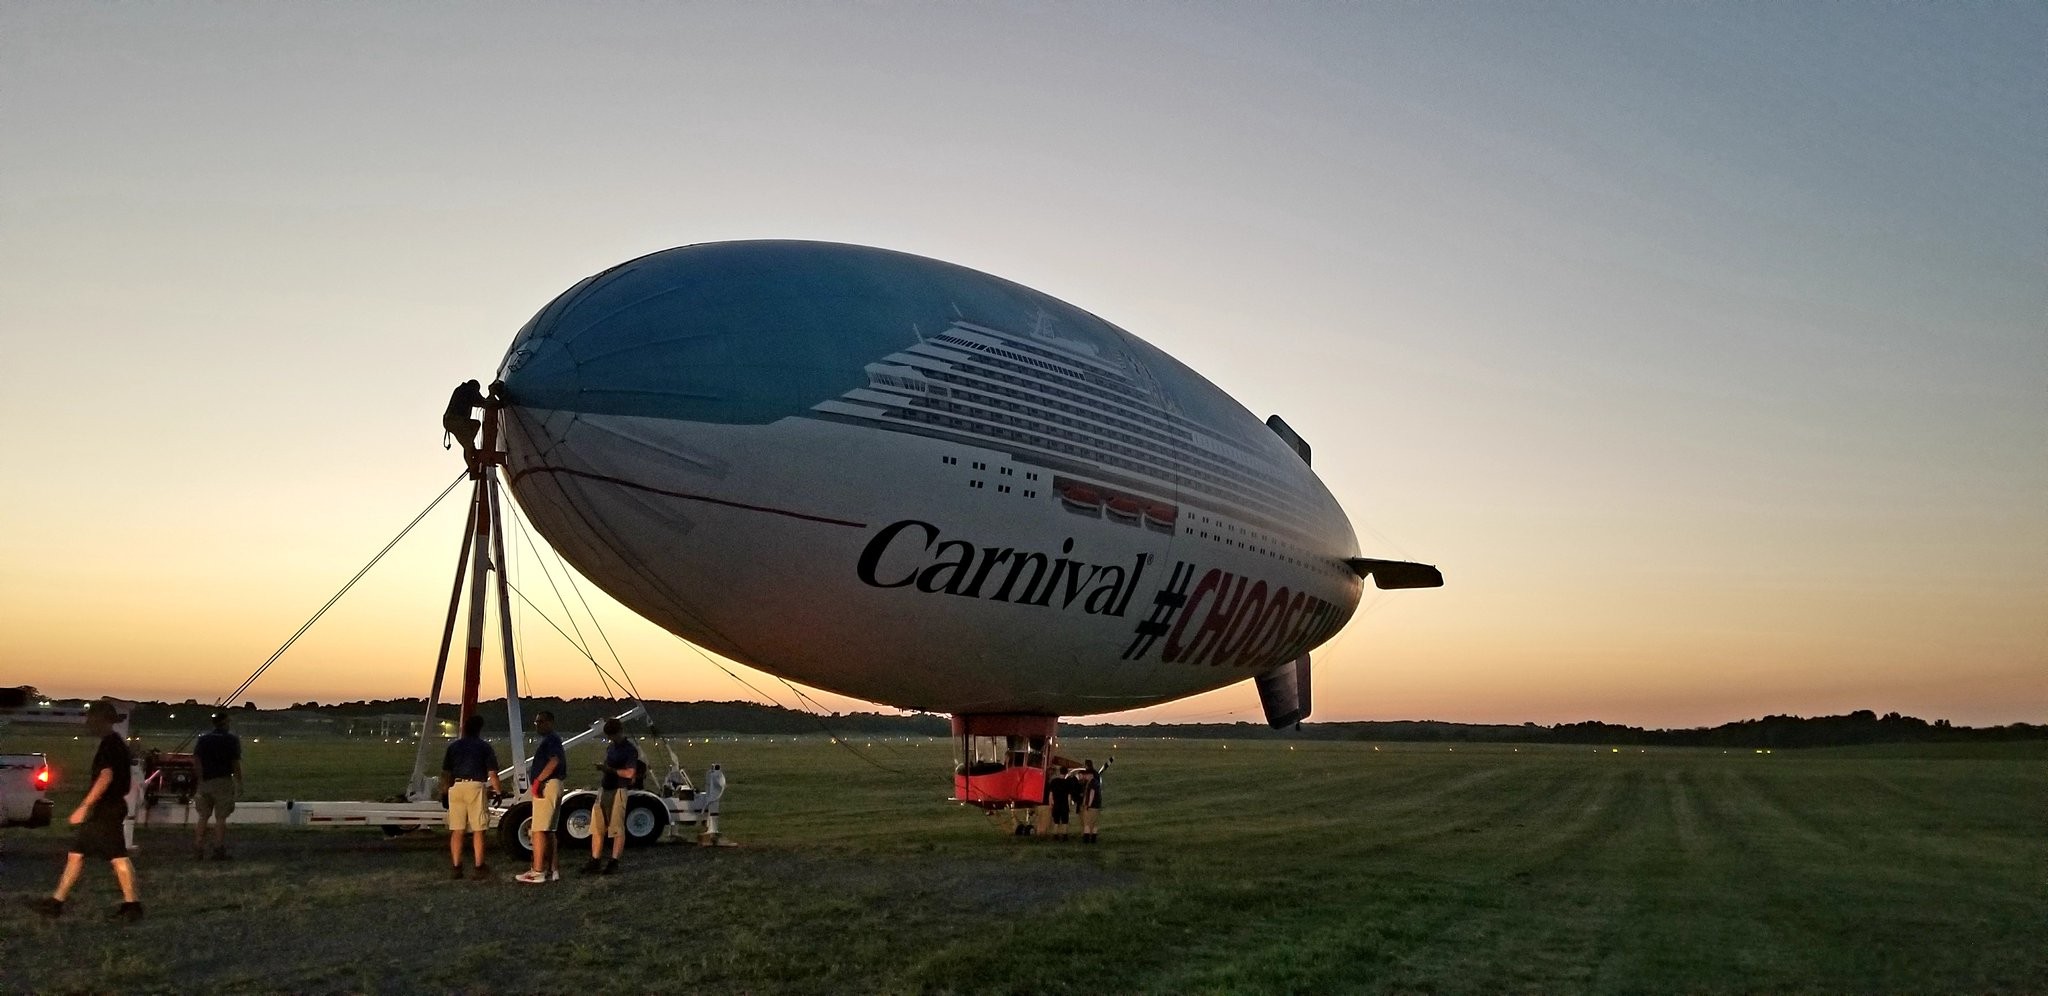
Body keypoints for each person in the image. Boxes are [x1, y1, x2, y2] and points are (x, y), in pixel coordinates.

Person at [34, 701, 140, 920]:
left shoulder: (110, 745)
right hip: (107, 807)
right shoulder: (114, 743)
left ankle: (132, 906)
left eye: (91, 718)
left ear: (101, 719)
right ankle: (56, 902)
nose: (88, 722)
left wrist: (84, 807)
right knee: (77, 854)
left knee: (118, 856)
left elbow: (106, 777)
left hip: (106, 809)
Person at [439, 714, 502, 880]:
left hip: (456, 787)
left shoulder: (453, 747)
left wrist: (444, 792)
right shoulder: (484, 747)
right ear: (479, 729)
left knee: (457, 829)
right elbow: (492, 774)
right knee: (478, 829)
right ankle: (479, 866)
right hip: (475, 786)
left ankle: (456, 866)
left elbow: (446, 773)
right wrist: (498, 792)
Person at [516, 711, 566, 884]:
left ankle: (537, 871)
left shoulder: (551, 740)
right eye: (536, 722)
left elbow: (554, 761)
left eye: (541, 721)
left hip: (548, 785)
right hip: (554, 784)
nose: (537, 725)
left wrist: (538, 781)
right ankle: (553, 869)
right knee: (549, 830)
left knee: (538, 829)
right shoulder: (553, 739)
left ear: (550, 722)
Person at [584, 718, 638, 875]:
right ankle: (595, 860)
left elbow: (630, 773)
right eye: (609, 736)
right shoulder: (611, 747)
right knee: (597, 826)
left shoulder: (629, 750)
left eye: (613, 735)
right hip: (605, 789)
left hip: (618, 789)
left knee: (616, 827)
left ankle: (614, 862)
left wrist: (610, 770)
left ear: (620, 731)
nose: (611, 738)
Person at [191, 712, 244, 860]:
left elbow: (197, 760)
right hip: (223, 781)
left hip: (205, 782)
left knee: (203, 816)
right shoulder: (231, 740)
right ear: (225, 723)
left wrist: (200, 780)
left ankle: (198, 848)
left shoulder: (204, 739)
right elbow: (235, 763)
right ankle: (218, 848)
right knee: (221, 817)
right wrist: (239, 782)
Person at [441, 379, 502, 472]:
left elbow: (480, 401)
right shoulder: (469, 390)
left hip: (448, 422)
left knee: (468, 445)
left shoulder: (461, 389)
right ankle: (472, 465)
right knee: (475, 425)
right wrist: (497, 400)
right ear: (475, 387)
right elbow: (482, 402)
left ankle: (472, 465)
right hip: (456, 421)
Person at [1077, 757, 1113, 843]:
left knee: (1087, 823)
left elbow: (1091, 794)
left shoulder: (1091, 784)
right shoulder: (1097, 782)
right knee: (1095, 824)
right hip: (1097, 806)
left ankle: (1086, 839)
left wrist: (1087, 805)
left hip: (1091, 806)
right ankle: (1093, 839)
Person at [1049, 766, 1073, 841]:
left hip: (1056, 804)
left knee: (1056, 821)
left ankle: (1055, 835)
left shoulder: (1054, 781)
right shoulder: (1068, 783)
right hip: (1064, 804)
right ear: (1066, 773)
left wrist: (1051, 803)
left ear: (1059, 772)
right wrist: (1069, 806)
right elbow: (1069, 796)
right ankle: (1064, 836)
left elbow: (1051, 794)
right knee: (1065, 821)